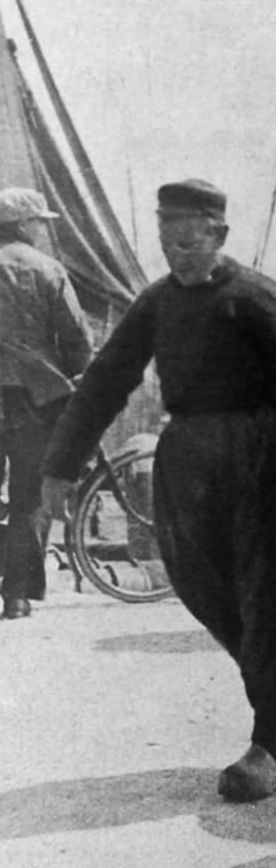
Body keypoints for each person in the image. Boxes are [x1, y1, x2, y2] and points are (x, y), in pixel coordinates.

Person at [39, 180, 276, 802]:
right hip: (188, 463)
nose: (177, 255)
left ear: (220, 236)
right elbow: (106, 379)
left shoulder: (258, 299)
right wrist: (60, 467)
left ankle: (269, 745)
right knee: (205, 591)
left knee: (264, 598)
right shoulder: (157, 302)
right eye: (168, 243)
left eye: (189, 242)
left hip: (264, 464)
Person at [0, 187, 93, 620]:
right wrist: (75, 375)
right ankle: (17, 596)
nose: (41, 229)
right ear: (22, 224)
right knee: (28, 494)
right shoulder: (46, 268)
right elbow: (75, 336)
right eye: (39, 222)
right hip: (33, 396)